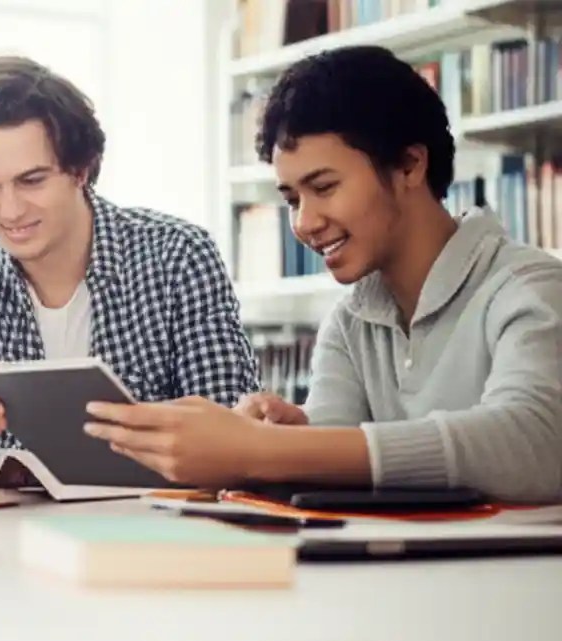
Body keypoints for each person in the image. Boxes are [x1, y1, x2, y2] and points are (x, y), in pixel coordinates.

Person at [84, 45, 562, 504]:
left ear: (409, 165)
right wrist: (281, 434)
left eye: (325, 187)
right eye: (293, 199)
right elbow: (331, 456)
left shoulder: (531, 288)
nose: (304, 223)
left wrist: (262, 449)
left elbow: (533, 440)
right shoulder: (350, 321)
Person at [0, 56, 258, 451]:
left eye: (32, 180)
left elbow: (230, 424)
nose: (10, 210)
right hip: (2, 495)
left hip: (149, 494)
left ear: (81, 169)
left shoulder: (179, 257)